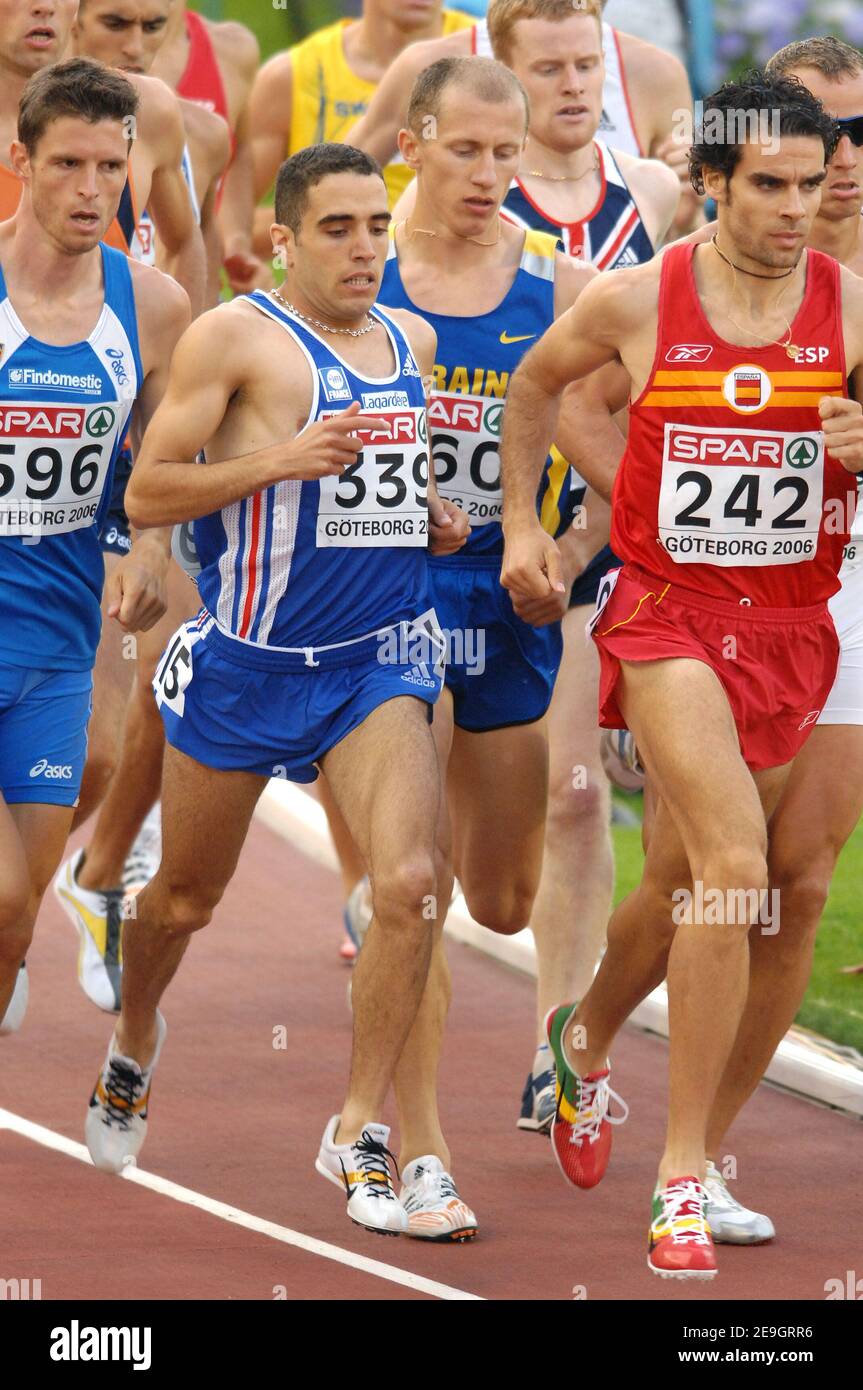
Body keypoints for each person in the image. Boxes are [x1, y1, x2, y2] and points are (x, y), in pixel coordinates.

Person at [499, 70, 863, 1279]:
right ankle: (681, 1177)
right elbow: (538, 386)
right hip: (665, 613)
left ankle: (585, 1039)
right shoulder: (637, 296)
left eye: (810, 185)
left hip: (792, 621)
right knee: (730, 872)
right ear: (710, 184)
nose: (793, 208)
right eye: (767, 186)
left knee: (679, 886)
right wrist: (531, 526)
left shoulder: (847, 305)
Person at [84, 142, 480, 1243]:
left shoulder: (413, 340)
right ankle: (136, 1035)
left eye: (376, 225)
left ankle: (358, 1127)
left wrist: (434, 518)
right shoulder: (235, 338)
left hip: (379, 658)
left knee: (408, 884)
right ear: (283, 240)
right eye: (339, 229)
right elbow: (151, 483)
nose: (364, 249)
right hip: (249, 666)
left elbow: (397, 486)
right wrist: (275, 460)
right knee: (181, 904)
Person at [0, 57, 188, 1035]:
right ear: (18, 158)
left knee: (17, 910)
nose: (89, 189)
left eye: (109, 168)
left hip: (63, 640)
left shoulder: (152, 308)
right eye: (67, 163)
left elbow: (166, 453)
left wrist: (149, 546)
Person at [54, 0, 231, 1015]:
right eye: (110, 21)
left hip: (122, 442)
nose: (129, 44)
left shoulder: (159, 117)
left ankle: (93, 869)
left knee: (104, 744)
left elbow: (189, 248)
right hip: (27, 432)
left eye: (150, 25)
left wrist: (199, 383)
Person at [347, 0, 695, 228]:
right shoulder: (425, 67)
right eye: (548, 69)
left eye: (587, 66)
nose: (573, 83)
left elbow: (687, 229)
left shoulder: (657, 74)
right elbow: (326, 190)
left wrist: (696, 194)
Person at [245, 0, 474, 275]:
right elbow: (225, 224)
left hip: (458, 286)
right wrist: (336, 223)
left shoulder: (494, 55)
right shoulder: (292, 75)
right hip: (341, 298)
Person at [149, 0, 260, 295]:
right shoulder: (82, 42)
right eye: (116, 24)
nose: (133, 42)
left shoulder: (233, 49)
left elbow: (237, 153)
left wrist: (236, 243)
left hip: (194, 281)